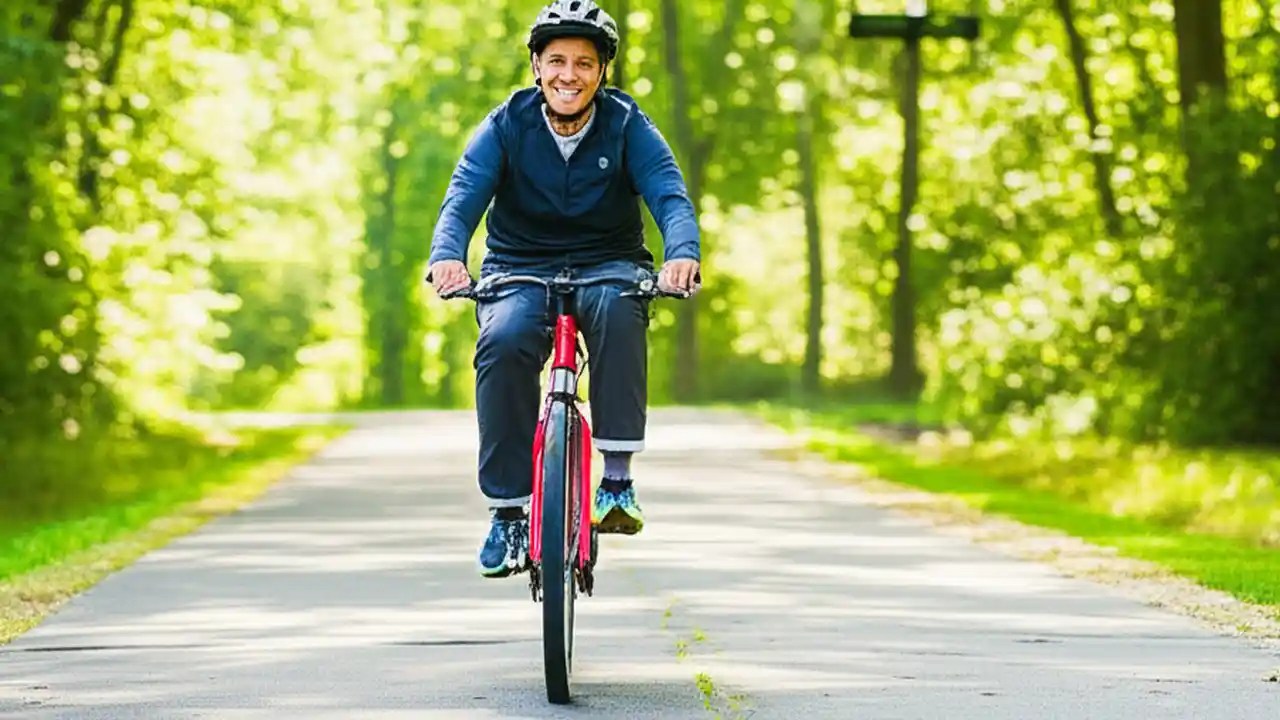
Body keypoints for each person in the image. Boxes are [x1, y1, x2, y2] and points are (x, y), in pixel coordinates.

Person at [426, 0, 701, 578]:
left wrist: (682, 253)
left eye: (584, 63)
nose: (568, 75)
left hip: (608, 263)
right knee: (503, 340)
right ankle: (507, 512)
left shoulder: (627, 125)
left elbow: (668, 193)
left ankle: (617, 482)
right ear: (536, 66)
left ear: (602, 72)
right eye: (556, 61)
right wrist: (447, 256)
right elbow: (463, 195)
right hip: (519, 265)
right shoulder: (506, 124)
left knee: (620, 311)